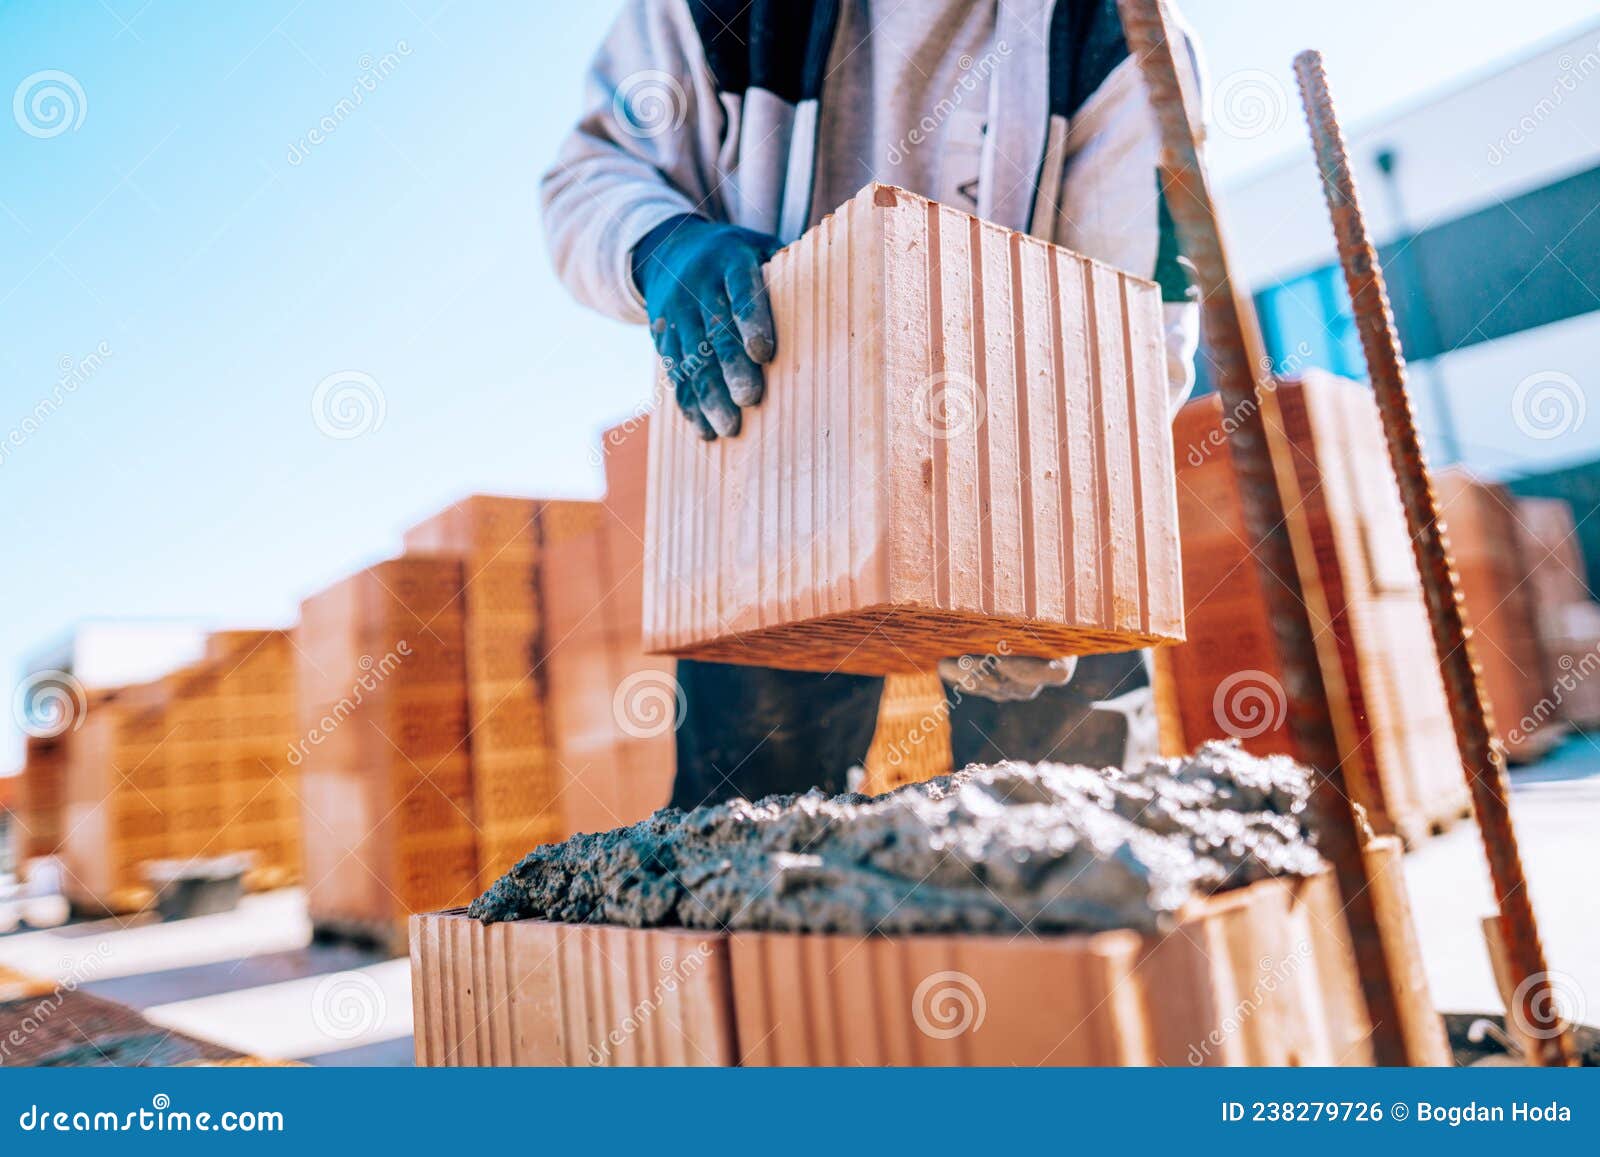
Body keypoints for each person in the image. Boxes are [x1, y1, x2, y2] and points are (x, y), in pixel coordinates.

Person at [544, 0, 1202, 809]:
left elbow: (1135, 328)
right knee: (749, 848)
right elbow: (590, 177)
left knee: (1068, 844)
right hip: (776, 478)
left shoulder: (1115, 25)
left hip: (1027, 486)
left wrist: (1059, 551)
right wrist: (660, 244)